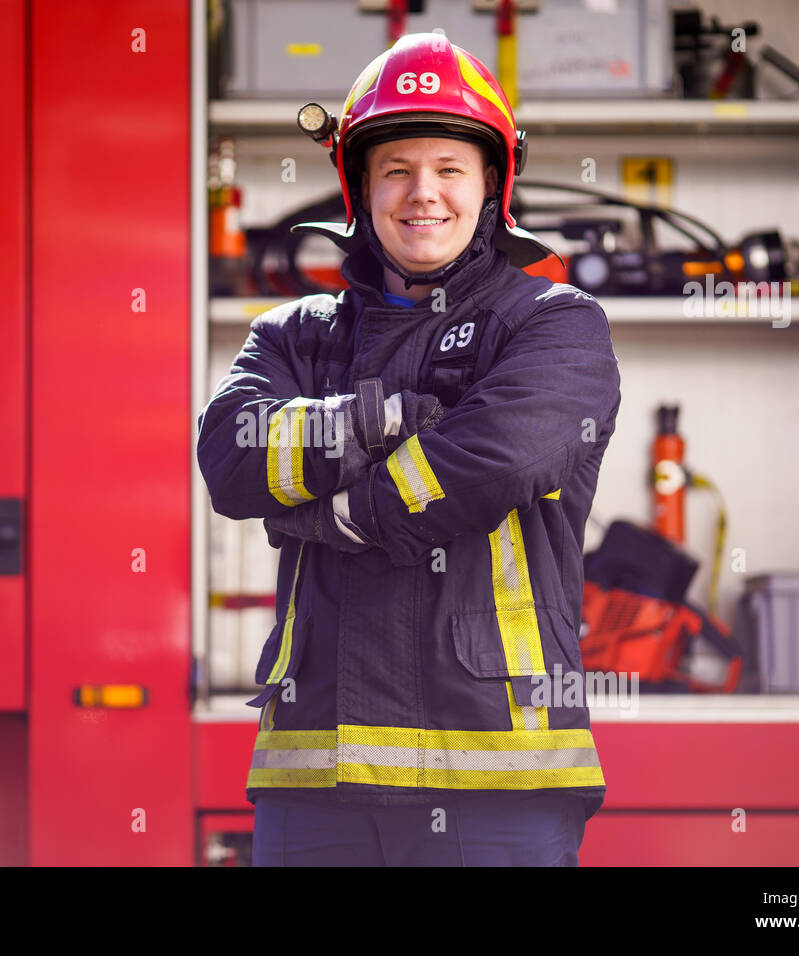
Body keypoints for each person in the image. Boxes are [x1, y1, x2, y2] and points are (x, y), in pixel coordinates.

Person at [196, 32, 621, 866]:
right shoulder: (292, 335)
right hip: (315, 786)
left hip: (499, 785)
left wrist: (332, 513)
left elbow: (494, 462)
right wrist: (385, 418)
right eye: (396, 168)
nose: (422, 193)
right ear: (359, 187)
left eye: (449, 168)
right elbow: (231, 457)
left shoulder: (555, 323)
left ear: (493, 185)